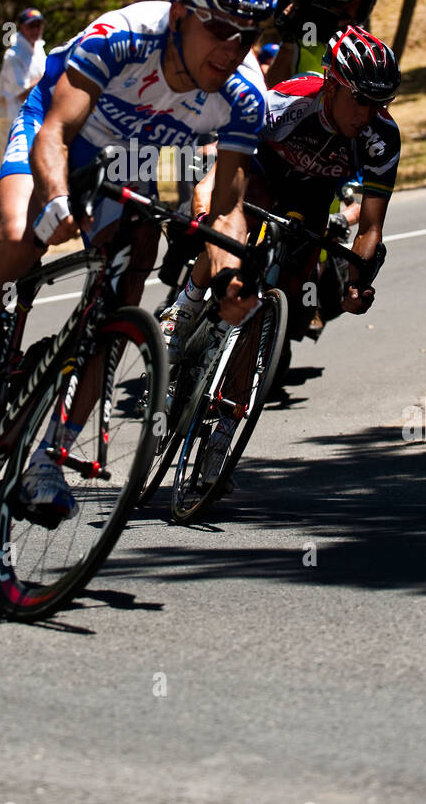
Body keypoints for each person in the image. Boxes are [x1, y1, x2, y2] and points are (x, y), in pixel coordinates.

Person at [0, 0, 276, 521]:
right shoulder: (122, 37)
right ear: (179, 14)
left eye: (246, 35)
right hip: (59, 132)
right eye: (219, 27)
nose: (233, 47)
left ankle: (49, 456)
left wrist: (230, 276)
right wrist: (58, 198)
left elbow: (227, 208)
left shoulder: (244, 96)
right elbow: (55, 133)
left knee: (126, 293)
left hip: (130, 164)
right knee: (22, 240)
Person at [172, 25, 401, 477]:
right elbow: (225, 168)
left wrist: (359, 283)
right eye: (361, 99)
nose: (370, 113)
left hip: (311, 199)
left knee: (283, 296)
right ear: (333, 85)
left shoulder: (381, 137)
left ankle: (221, 436)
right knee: (233, 231)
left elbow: (371, 226)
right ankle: (184, 308)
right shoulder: (288, 102)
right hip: (261, 172)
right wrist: (205, 208)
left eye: (381, 103)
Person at [266, 0, 379, 85]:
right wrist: (288, 40)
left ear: (363, 9)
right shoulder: (308, 33)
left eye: (351, 1)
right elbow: (274, 84)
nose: (343, 6)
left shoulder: (362, 49)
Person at [0, 8, 47, 164]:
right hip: (14, 120)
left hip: (35, 116)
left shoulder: (38, 48)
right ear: (22, 27)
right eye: (31, 26)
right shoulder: (13, 56)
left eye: (39, 25)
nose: (36, 30)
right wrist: (50, 73)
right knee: (14, 166)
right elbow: (22, 92)